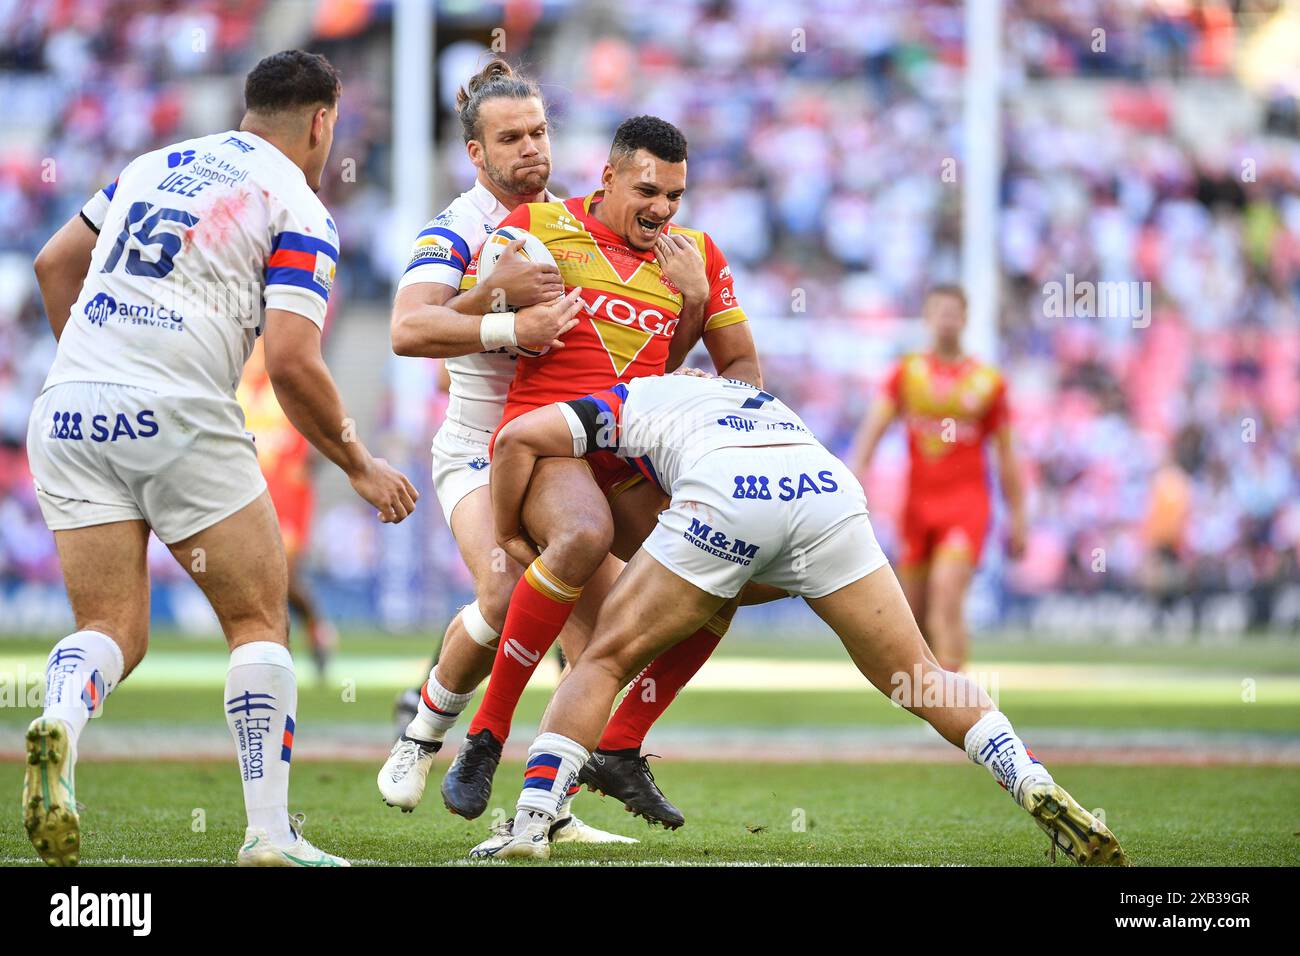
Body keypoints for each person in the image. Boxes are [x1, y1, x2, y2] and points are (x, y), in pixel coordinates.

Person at [473, 372, 1128, 866]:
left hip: (732, 490)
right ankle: (1031, 780)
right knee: (921, 675)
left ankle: (531, 823)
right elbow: (745, 579)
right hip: (824, 489)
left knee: (604, 661)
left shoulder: (637, 396)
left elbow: (519, 438)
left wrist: (506, 531)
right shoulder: (753, 397)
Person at [23, 50, 417, 868]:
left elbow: (53, 263)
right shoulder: (297, 204)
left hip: (67, 407)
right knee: (255, 621)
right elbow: (293, 360)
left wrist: (100, 368)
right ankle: (269, 836)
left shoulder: (149, 165)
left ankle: (60, 716)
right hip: (177, 412)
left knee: (110, 629)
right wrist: (357, 463)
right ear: (321, 122)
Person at [435, 114, 763, 828]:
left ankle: (619, 747)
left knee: (730, 569)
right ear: (608, 176)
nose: (663, 210)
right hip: (547, 445)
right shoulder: (536, 227)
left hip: (630, 455)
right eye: (649, 190)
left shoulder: (696, 255)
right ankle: (486, 735)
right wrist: (501, 297)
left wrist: (697, 304)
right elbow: (449, 322)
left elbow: (732, 370)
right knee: (582, 535)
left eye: (676, 195)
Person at [380, 59, 633, 845]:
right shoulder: (454, 227)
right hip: (476, 454)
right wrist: (501, 314)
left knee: (603, 633)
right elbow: (408, 328)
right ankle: (421, 736)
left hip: (555, 455)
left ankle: (547, 809)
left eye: (539, 133)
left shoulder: (575, 222)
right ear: (477, 154)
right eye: (510, 138)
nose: (531, 149)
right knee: (503, 593)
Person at [848, 286, 1027, 671]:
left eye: (954, 312)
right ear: (927, 319)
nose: (947, 320)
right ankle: (931, 697)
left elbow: (1007, 455)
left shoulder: (987, 382)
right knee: (914, 614)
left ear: (964, 319)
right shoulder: (907, 374)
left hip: (966, 505)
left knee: (947, 596)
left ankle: (958, 703)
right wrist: (854, 476)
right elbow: (872, 431)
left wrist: (1019, 518)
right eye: (939, 312)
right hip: (917, 507)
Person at [238, 339, 337, 682]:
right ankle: (280, 647)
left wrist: (308, 462)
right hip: (250, 491)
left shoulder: (289, 382)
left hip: (289, 495)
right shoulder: (238, 388)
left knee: (283, 576)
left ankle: (302, 634)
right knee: (256, 577)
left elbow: (329, 424)